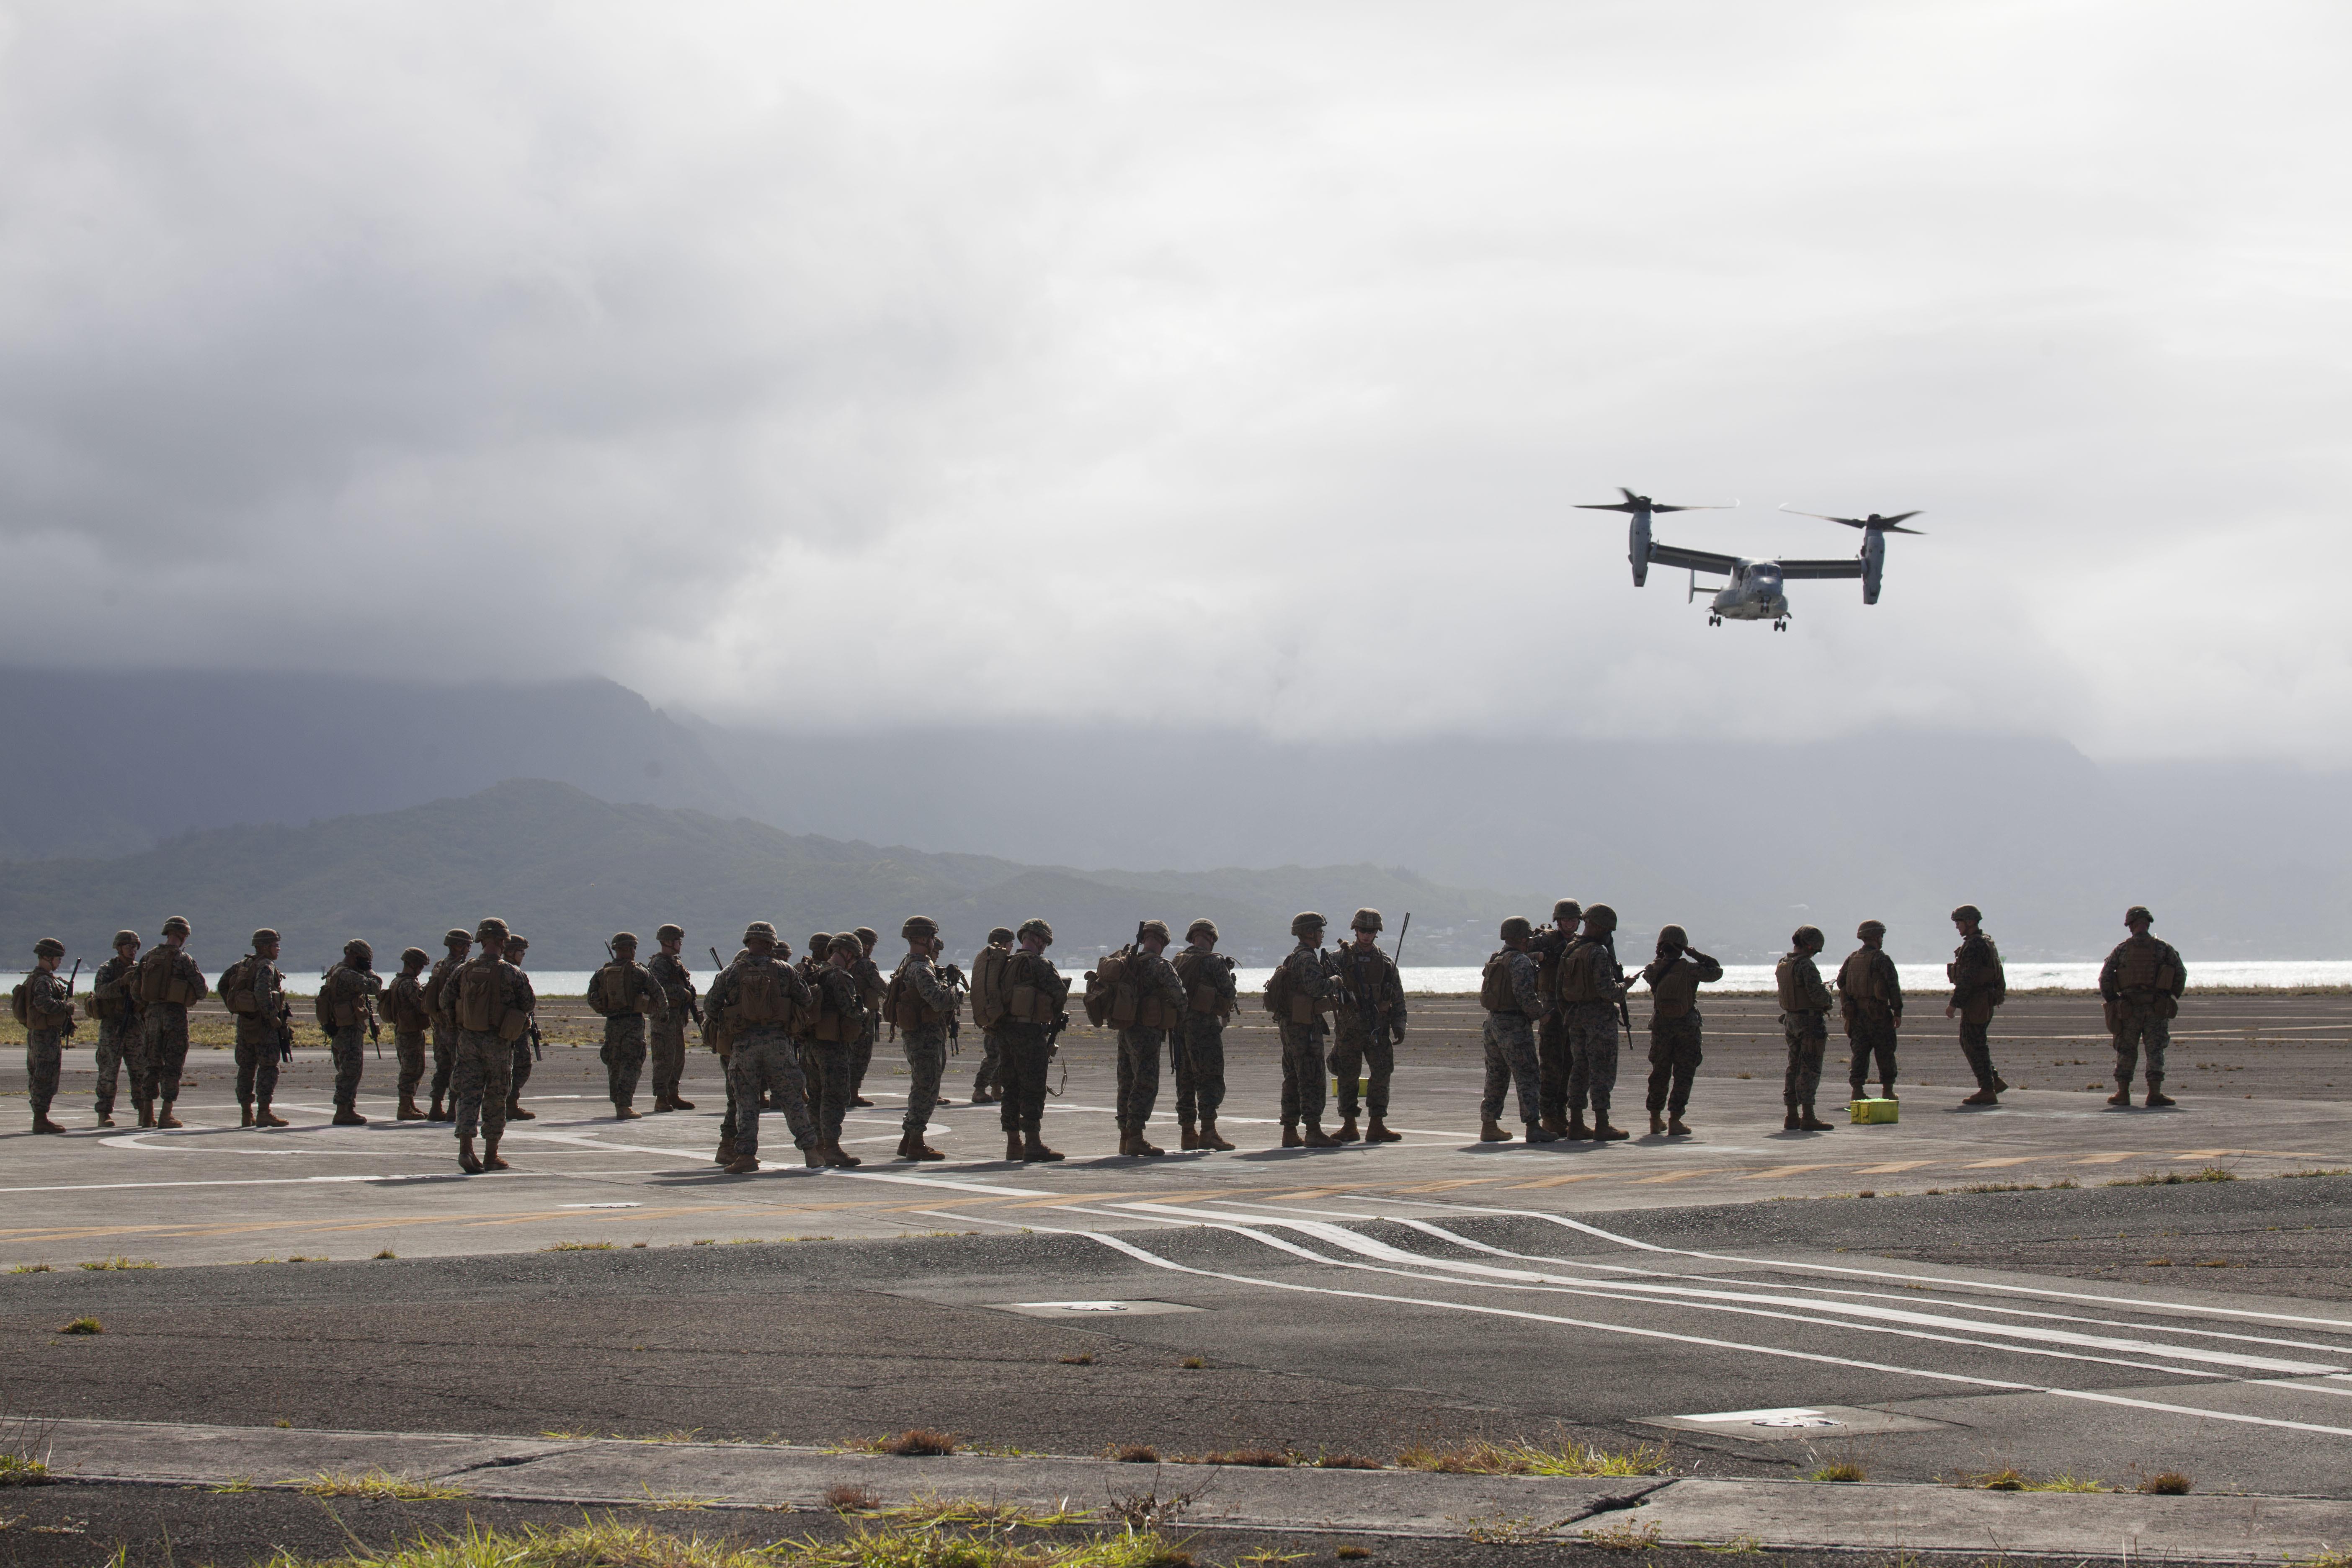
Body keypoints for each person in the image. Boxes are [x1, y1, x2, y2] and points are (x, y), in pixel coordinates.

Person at [707, 922, 819, 1173]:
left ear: (748, 942)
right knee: (792, 1100)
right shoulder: (785, 971)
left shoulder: (730, 972)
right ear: (771, 944)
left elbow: (712, 1008)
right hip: (778, 1044)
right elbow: (806, 1000)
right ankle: (811, 1152)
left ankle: (746, 1156)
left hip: (744, 1045)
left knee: (746, 1102)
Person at [446, 918, 534, 1174]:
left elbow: (445, 1000)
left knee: (468, 1093)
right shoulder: (511, 972)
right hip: (498, 1043)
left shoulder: (464, 969)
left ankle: (465, 1149)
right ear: (504, 941)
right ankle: (492, 1155)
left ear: (481, 940)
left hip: (468, 1040)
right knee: (496, 1096)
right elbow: (528, 1003)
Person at [1111, 920, 1188, 1157]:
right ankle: (1136, 1136)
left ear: (1144, 939)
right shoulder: (1160, 965)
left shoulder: (1128, 963)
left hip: (1126, 1031)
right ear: (1164, 941)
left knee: (1126, 1083)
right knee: (1145, 1083)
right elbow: (1180, 997)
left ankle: (1125, 1137)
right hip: (1147, 1033)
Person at [1330, 908, 1407, 1145]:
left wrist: (1400, 1024)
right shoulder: (1339, 959)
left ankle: (1377, 1124)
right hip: (1349, 1029)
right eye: (1363, 930)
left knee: (1382, 1074)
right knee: (1347, 1076)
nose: (1366, 934)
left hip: (1378, 1029)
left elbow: (1398, 996)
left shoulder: (1385, 962)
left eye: (1371, 931)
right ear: (1355, 929)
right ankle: (1349, 1125)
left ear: (1378, 932)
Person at [997, 918, 1070, 1162]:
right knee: (1033, 1088)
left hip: (1005, 1033)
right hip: (1030, 1033)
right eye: (1045, 942)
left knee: (1011, 1088)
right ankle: (1033, 1143)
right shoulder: (1040, 964)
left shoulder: (1004, 964)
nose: (1044, 947)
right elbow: (1060, 994)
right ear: (1039, 939)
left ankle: (1013, 1143)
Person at [2099, 905, 2186, 1108]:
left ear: (2130, 926)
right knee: (2155, 1050)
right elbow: (2181, 974)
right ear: (2147, 923)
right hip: (2156, 1008)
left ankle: (2123, 1093)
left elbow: (2105, 978)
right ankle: (2154, 1093)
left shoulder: (2121, 950)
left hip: (2129, 1009)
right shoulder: (2164, 949)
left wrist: (2115, 1002)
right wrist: (2167, 996)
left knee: (2126, 1049)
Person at [888, 917, 959, 1161]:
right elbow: (938, 1000)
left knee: (922, 1086)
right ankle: (916, 1142)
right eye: (930, 938)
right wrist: (952, 988)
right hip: (925, 1037)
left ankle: (908, 1141)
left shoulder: (908, 964)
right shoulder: (920, 968)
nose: (932, 943)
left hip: (918, 1035)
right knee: (926, 1089)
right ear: (921, 939)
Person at [1477, 918, 1553, 1143]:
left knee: (1497, 1075)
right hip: (1514, 1025)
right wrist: (1542, 1015)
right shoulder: (1520, 961)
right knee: (1528, 1074)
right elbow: (1525, 996)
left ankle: (1489, 1125)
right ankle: (1533, 1125)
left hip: (1493, 1023)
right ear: (1523, 938)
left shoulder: (1496, 958)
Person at [1641, 925, 1723, 1136]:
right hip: (1687, 1026)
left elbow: (1650, 974)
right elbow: (1716, 971)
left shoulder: (1652, 969)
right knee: (1683, 1073)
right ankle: (1675, 1120)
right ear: (1683, 946)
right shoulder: (1691, 969)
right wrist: (1695, 953)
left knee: (1660, 1073)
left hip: (1661, 1026)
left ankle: (1655, 1118)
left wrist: (1659, 956)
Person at [1557, 904, 1630, 1140]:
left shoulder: (1571, 949)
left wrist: (1569, 1013)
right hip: (1599, 1019)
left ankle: (1576, 1122)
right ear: (1598, 926)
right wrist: (1624, 987)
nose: (1609, 934)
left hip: (1576, 1017)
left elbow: (1560, 990)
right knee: (1602, 1070)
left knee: (1580, 1068)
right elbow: (1608, 990)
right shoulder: (1597, 952)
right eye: (1607, 930)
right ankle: (1602, 1123)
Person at [1272, 912, 1340, 1148]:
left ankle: (1290, 1130)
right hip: (1304, 1028)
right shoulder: (1308, 959)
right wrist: (1335, 981)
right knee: (1311, 1078)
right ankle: (1313, 1130)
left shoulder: (1293, 957)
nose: (1322, 935)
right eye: (1319, 931)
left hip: (1290, 1026)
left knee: (1292, 1078)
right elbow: (1316, 988)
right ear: (1309, 933)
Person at [131, 916, 207, 1129]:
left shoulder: (148, 957)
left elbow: (135, 991)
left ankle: (146, 1115)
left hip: (152, 1017)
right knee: (173, 1066)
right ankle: (166, 1114)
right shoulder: (183, 959)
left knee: (151, 1065)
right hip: (175, 1017)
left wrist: (151, 1006)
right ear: (183, 936)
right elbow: (202, 990)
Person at [1171, 919, 1236, 1150]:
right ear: (1211, 938)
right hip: (1204, 1028)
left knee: (1186, 1079)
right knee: (1210, 1076)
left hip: (1180, 1028)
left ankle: (1188, 1133)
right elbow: (1230, 992)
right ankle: (1208, 1131)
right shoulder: (1214, 961)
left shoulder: (1178, 959)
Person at [804, 934, 868, 1166]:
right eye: (855, 957)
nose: (854, 962)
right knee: (836, 1095)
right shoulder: (840, 976)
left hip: (812, 1044)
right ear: (848, 953)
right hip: (833, 1046)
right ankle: (832, 1148)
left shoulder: (818, 972)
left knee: (816, 1096)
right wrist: (865, 1013)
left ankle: (819, 1145)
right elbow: (851, 1010)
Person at [589, 933, 668, 1119]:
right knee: (632, 1064)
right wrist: (662, 1015)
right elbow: (659, 993)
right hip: (633, 1024)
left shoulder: (603, 972)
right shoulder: (639, 971)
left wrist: (608, 1010)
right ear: (632, 949)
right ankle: (624, 1106)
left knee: (614, 1063)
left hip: (612, 1025)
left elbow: (592, 997)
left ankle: (618, 1102)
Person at [220, 928, 290, 1128]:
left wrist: (237, 1007)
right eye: (276, 945)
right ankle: (264, 1112)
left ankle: (246, 1113)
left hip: (246, 1023)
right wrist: (272, 1017)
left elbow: (223, 984)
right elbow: (262, 992)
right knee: (268, 1066)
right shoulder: (267, 966)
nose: (278, 949)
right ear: (265, 947)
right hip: (263, 1026)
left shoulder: (243, 964)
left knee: (247, 1067)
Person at [1946, 905, 2010, 1106]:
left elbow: (1968, 977)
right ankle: (1993, 1081)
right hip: (1982, 1000)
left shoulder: (1975, 945)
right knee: (1972, 1042)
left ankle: (1987, 1089)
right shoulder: (1984, 942)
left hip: (1977, 1002)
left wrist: (1954, 1004)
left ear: (1971, 922)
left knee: (1974, 1044)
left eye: (1960, 922)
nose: (1958, 927)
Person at [1774, 926, 1837, 1131]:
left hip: (1791, 1021)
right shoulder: (1806, 966)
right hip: (1809, 1023)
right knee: (1810, 1068)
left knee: (1794, 1067)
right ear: (1812, 946)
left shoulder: (1784, 964)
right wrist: (1828, 991)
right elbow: (1819, 998)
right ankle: (1808, 1116)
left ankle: (1792, 1115)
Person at [317, 939, 384, 1126]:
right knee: (351, 1069)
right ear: (355, 956)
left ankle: (347, 1108)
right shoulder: (347, 974)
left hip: (342, 1026)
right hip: (347, 1029)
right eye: (363, 960)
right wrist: (371, 972)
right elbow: (375, 987)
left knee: (347, 1068)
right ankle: (343, 1110)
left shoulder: (335, 970)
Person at [1838, 920, 1903, 1102]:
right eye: (1881, 936)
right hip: (1879, 1016)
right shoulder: (1881, 959)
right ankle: (1888, 1091)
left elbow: (1841, 982)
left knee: (1859, 1054)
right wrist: (1897, 1011)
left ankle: (1857, 1091)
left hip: (1856, 1017)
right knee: (1885, 1053)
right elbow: (1893, 987)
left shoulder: (1852, 958)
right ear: (1876, 937)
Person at [1532, 900, 1582, 1137]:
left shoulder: (1580, 942)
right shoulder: (1546, 939)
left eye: (1574, 919)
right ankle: (1549, 1117)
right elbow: (1522, 951)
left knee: (1570, 1066)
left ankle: (1561, 1115)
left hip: (1573, 1010)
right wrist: (1545, 956)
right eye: (1566, 919)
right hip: (1551, 1009)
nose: (1571, 923)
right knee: (1551, 1066)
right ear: (1558, 920)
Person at [19, 938, 76, 1134]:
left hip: (39, 1034)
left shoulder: (36, 978)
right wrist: (66, 1007)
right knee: (46, 1075)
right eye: (58, 958)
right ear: (48, 957)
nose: (60, 962)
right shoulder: (43, 980)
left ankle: (40, 1117)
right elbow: (44, 1004)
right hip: (45, 1036)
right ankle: (41, 1119)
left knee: (38, 1074)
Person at [88, 931, 143, 1129]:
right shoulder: (108, 968)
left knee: (140, 1071)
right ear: (119, 948)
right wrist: (122, 983)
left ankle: (144, 1110)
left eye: (135, 947)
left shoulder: (140, 969)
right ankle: (104, 1112)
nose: (133, 950)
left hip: (135, 1026)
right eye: (129, 946)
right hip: (113, 1026)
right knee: (108, 1071)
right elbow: (100, 991)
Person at [647, 924, 699, 1112]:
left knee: (678, 1058)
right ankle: (661, 1098)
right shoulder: (659, 963)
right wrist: (682, 992)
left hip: (677, 1017)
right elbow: (659, 988)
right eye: (678, 940)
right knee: (664, 1058)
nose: (680, 944)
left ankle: (673, 1094)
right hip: (664, 1018)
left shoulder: (675, 963)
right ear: (669, 941)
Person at [422, 928, 472, 1122]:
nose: (468, 949)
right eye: (467, 945)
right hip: (453, 1026)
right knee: (458, 1067)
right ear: (457, 945)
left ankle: (436, 1107)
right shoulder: (460, 967)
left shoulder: (439, 965)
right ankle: (453, 1108)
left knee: (442, 1068)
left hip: (439, 1025)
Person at [385, 947, 433, 1120]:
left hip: (404, 1030)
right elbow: (422, 1005)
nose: (421, 970)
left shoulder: (396, 981)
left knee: (413, 1068)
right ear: (412, 964)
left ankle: (410, 1104)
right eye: (420, 966)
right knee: (412, 1070)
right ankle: (404, 1107)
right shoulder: (409, 984)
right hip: (410, 1032)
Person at [969, 926, 1014, 1104]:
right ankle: (980, 1090)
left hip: (990, 1015)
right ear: (1004, 943)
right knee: (994, 1057)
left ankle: (996, 1090)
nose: (1011, 946)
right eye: (1010, 943)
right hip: (997, 1017)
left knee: (999, 1056)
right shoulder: (999, 961)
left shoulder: (990, 960)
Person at [848, 926, 885, 1108]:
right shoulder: (866, 965)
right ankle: (853, 1093)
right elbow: (880, 986)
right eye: (868, 944)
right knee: (861, 1055)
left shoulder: (846, 963)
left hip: (848, 1016)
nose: (870, 948)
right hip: (864, 1017)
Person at [503, 934, 539, 1122]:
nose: (523, 955)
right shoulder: (514, 973)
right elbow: (529, 1002)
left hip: (491, 1029)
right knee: (521, 1066)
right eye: (521, 952)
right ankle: (510, 1104)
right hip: (514, 1030)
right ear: (510, 952)